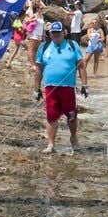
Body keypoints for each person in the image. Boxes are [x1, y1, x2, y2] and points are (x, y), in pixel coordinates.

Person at [35, 20, 87, 153]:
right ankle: (51, 144)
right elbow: (39, 69)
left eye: (58, 33)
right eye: (53, 33)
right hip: (50, 87)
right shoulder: (44, 47)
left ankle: (74, 138)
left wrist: (85, 85)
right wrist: (36, 88)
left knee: (71, 115)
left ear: (64, 33)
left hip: (68, 87)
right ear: (50, 34)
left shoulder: (72, 45)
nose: (56, 35)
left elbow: (81, 66)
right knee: (51, 116)